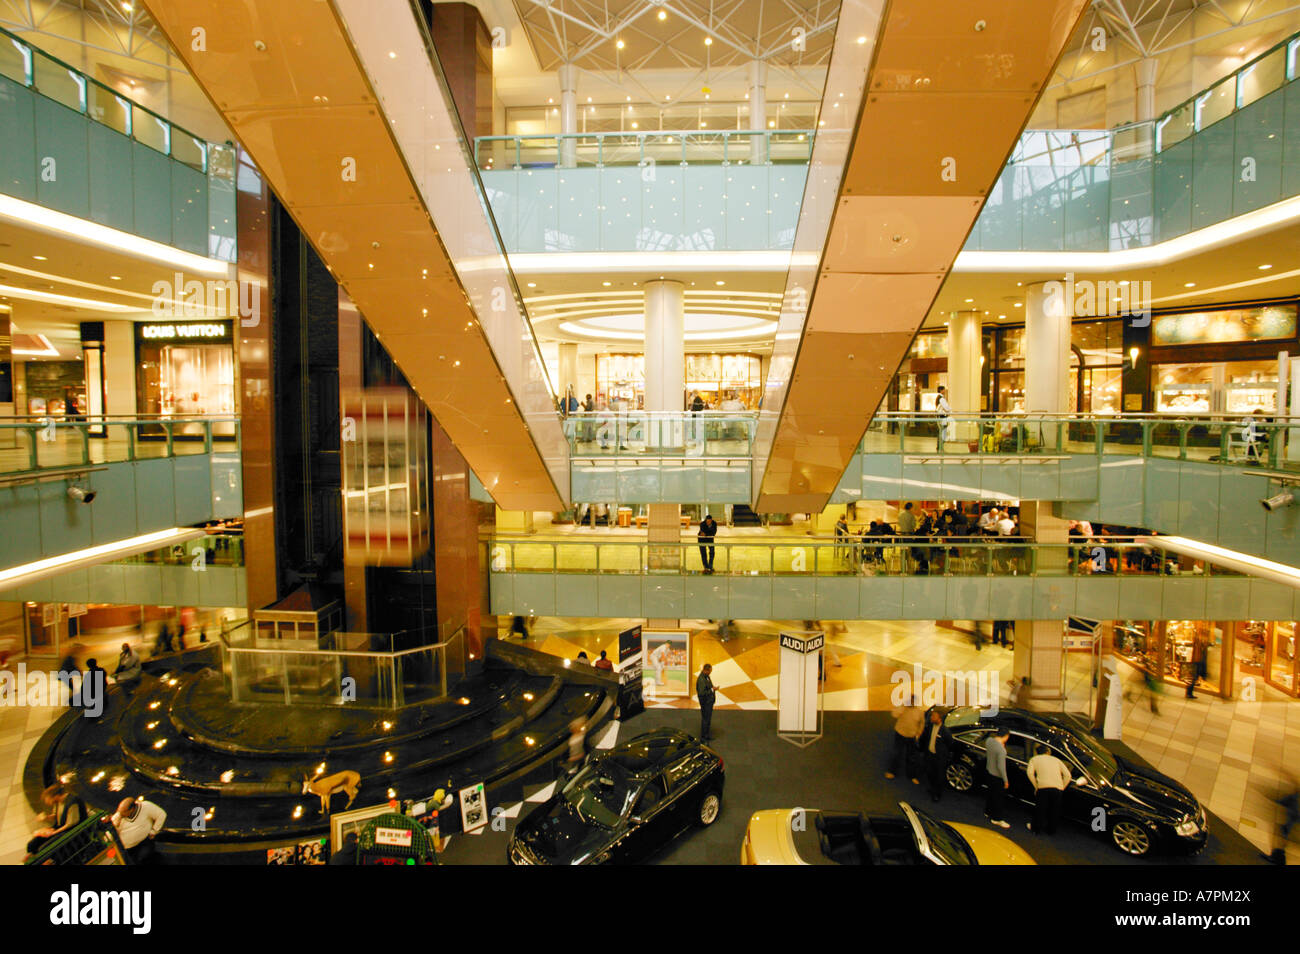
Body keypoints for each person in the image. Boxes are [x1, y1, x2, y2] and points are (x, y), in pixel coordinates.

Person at [1025, 744, 1071, 835]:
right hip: (1057, 788)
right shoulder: (1057, 760)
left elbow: (1030, 773)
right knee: (1054, 811)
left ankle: (1036, 829)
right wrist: (1062, 787)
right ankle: (1051, 830)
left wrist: (1036, 786)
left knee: (1040, 809)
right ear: (1048, 752)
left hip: (1043, 787)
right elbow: (1068, 775)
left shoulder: (1034, 759)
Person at [112, 796, 166, 864]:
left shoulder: (146, 807)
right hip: (125, 848)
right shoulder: (119, 815)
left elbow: (161, 815)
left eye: (124, 812)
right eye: (119, 811)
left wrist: (154, 830)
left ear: (132, 809)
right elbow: (112, 827)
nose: (120, 813)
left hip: (143, 844)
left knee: (143, 860)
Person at [886, 698, 924, 783]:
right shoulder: (902, 708)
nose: (911, 703)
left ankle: (912, 775)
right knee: (896, 753)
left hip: (911, 736)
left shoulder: (919, 712)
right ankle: (892, 772)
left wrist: (919, 732)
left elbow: (922, 723)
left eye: (913, 702)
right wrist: (903, 707)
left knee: (911, 757)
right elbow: (894, 714)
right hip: (900, 734)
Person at [919, 709, 951, 803]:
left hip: (939, 758)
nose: (931, 717)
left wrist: (942, 753)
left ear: (939, 718)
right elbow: (926, 737)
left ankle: (937, 794)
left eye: (934, 716)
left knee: (939, 776)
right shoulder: (930, 726)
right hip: (929, 755)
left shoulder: (945, 731)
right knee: (930, 773)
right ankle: (932, 788)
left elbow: (949, 742)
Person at [984, 727, 1011, 828]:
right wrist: (1005, 780)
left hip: (989, 771)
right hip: (997, 776)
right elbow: (1001, 767)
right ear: (1006, 736)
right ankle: (997, 818)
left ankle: (988, 812)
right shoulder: (1001, 750)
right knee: (998, 798)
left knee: (990, 794)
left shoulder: (989, 741)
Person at [696, 663, 716, 741]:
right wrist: (712, 690)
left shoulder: (706, 677)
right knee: (705, 719)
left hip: (709, 702)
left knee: (707, 719)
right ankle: (704, 736)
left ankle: (706, 734)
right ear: (706, 670)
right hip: (705, 703)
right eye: (710, 671)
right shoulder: (701, 679)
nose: (710, 672)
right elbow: (701, 693)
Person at [935, 385, 951, 452]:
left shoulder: (938, 398)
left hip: (940, 416)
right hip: (942, 417)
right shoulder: (941, 398)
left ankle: (939, 446)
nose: (945, 391)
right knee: (943, 431)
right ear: (941, 390)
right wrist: (950, 410)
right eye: (944, 390)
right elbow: (946, 407)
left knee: (941, 431)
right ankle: (940, 446)